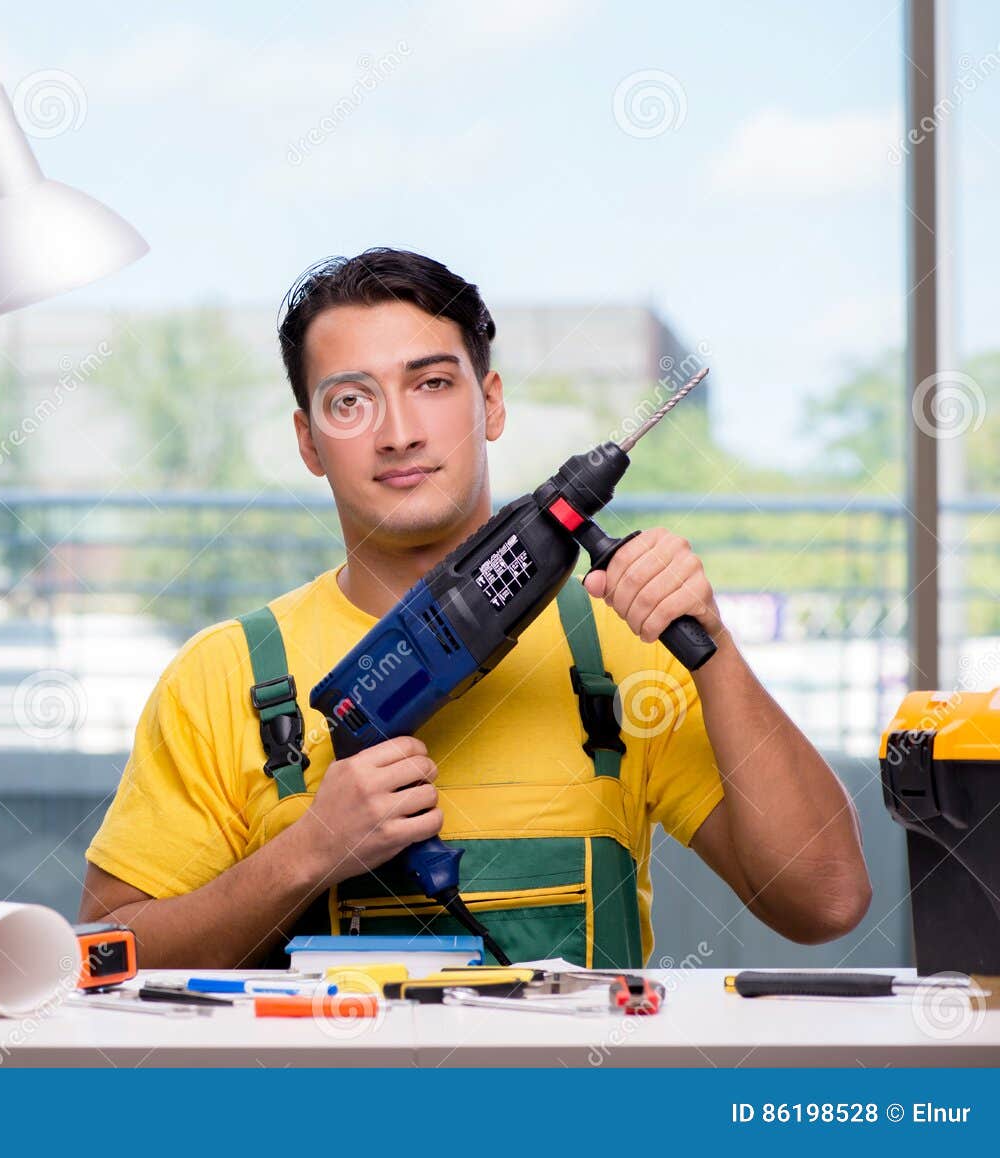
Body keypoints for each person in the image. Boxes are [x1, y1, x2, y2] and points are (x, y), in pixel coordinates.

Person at [78, 248, 872, 968]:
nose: (398, 433)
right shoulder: (225, 678)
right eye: (350, 401)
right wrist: (309, 853)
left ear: (489, 403)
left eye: (431, 384)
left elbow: (826, 902)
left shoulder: (622, 649)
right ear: (308, 440)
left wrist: (713, 651)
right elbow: (106, 959)